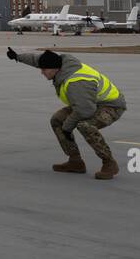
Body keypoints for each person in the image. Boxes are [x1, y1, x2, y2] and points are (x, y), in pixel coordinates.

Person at [7, 47, 127, 179]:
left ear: (55, 69)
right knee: (57, 120)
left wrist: (67, 128)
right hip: (87, 102)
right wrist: (17, 57)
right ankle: (75, 162)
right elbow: (37, 60)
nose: (41, 72)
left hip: (110, 106)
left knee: (85, 126)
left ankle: (109, 163)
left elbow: (85, 111)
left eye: (44, 70)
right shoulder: (59, 63)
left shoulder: (76, 82)